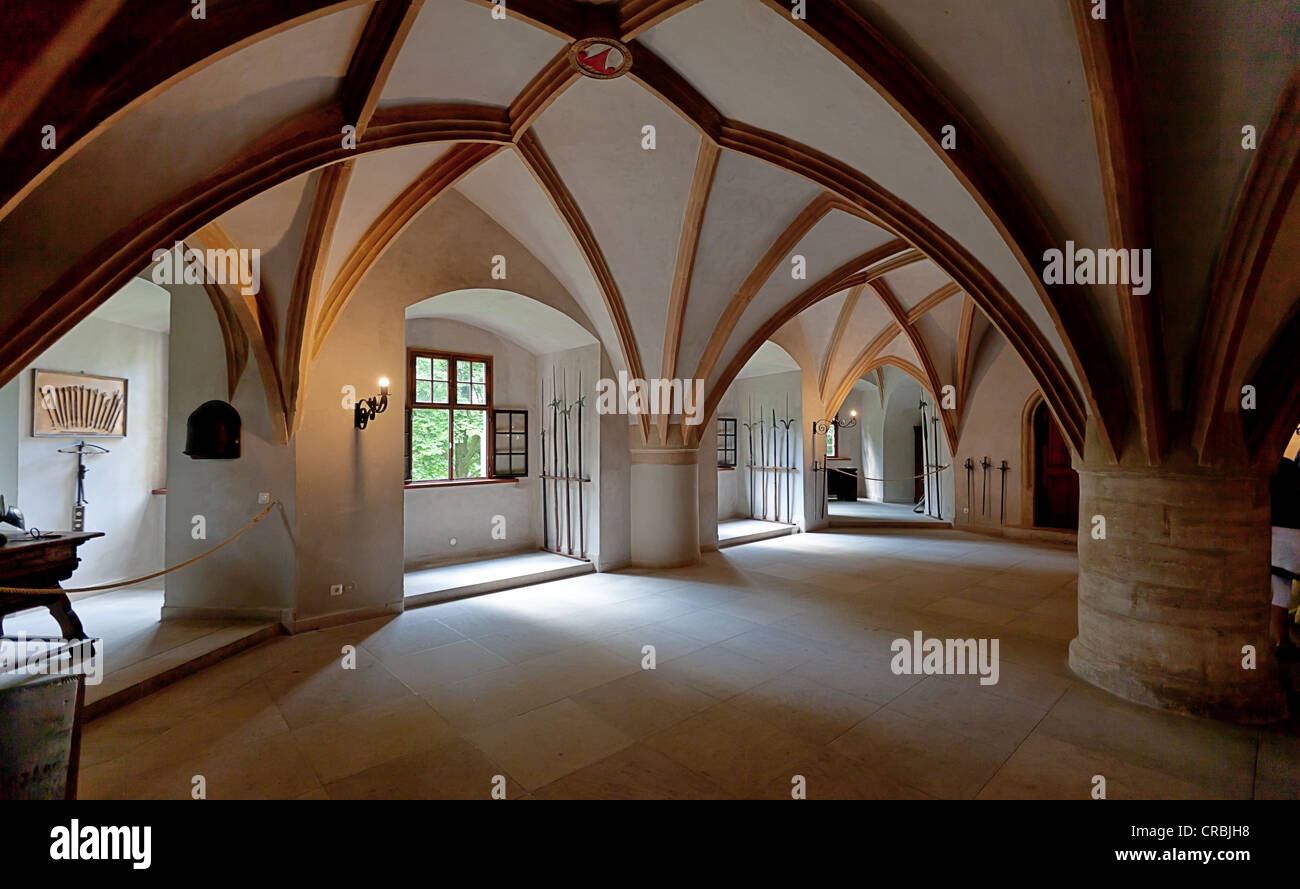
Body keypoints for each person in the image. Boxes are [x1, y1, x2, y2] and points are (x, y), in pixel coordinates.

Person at [1269, 456, 1300, 648]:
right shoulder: (1288, 467)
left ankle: (1282, 641)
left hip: (1275, 535)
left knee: (1281, 591)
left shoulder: (1273, 468)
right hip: (1294, 533)